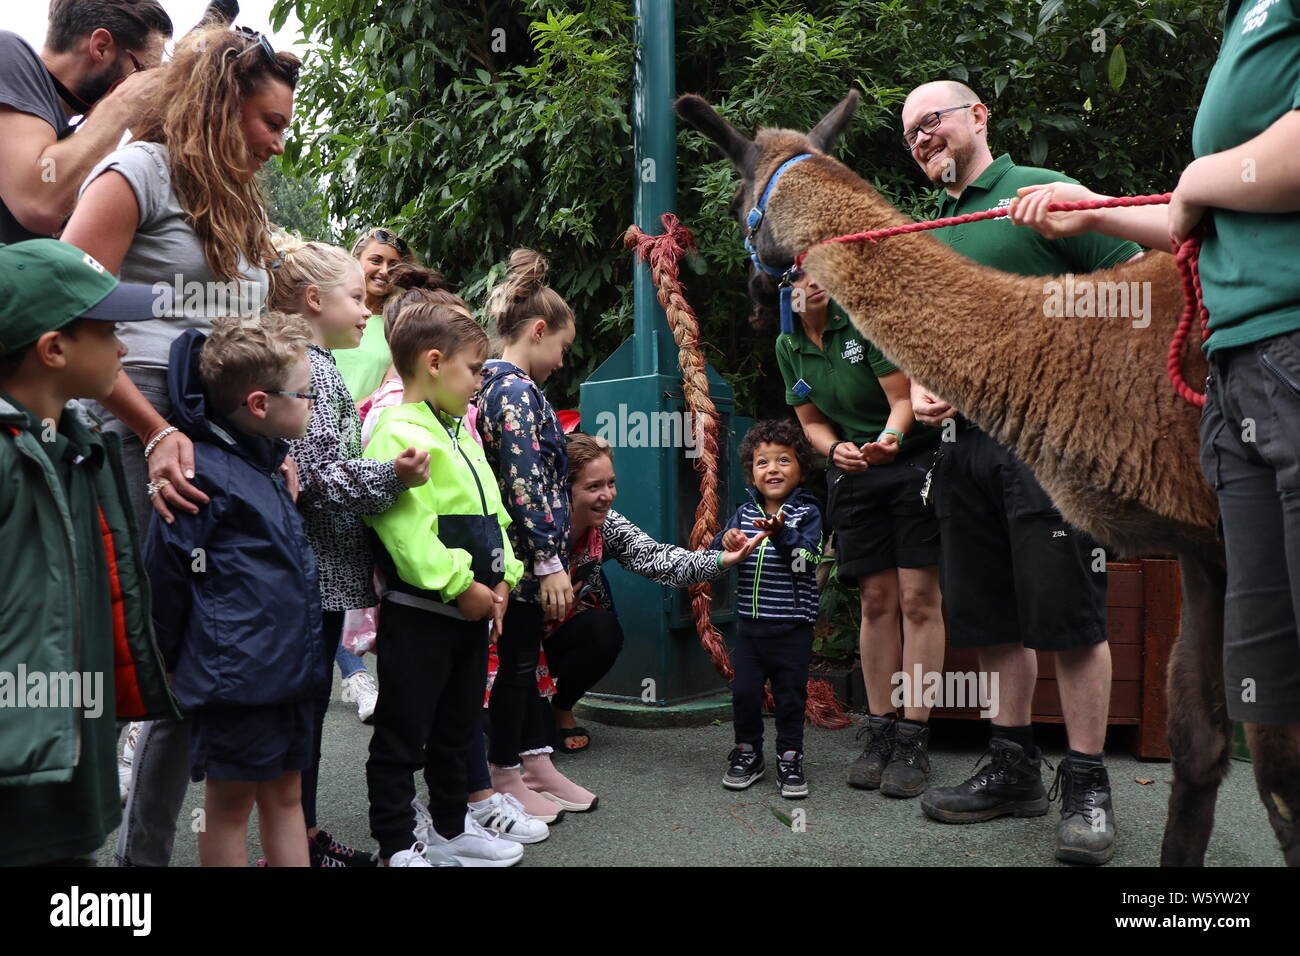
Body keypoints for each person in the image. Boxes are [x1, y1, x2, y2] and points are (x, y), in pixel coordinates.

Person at [1007, 0, 1300, 837]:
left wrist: (1199, 181)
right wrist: (1097, 210)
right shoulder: (1245, 17)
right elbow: (1200, 230)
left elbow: (1217, 192)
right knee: (1268, 693)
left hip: (1288, 351)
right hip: (1240, 370)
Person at [60, 22, 301, 868]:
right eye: (268, 122)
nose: (278, 142)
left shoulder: (233, 202)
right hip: (136, 428)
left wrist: (275, 445)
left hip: (216, 440)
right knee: (121, 654)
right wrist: (154, 427)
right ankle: (74, 863)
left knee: (195, 663)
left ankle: (140, 865)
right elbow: (63, 313)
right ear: (216, 103)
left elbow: (243, 341)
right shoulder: (136, 174)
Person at [899, 80, 1143, 865]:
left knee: (1068, 618)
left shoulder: (1042, 193)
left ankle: (1087, 784)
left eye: (929, 120)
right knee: (993, 620)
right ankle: (1013, 769)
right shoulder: (937, 226)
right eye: (909, 135)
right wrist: (923, 384)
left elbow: (1138, 281)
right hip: (962, 450)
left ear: (979, 116)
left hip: (1047, 440)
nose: (921, 139)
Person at [0, 239, 176, 867]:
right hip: (15, 770)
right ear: (53, 350)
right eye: (108, 332)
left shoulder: (80, 447)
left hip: (68, 757)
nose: (125, 348)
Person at [269, 234, 432, 866]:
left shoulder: (323, 366)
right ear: (315, 300)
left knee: (306, 717)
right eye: (358, 299)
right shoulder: (304, 370)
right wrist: (393, 475)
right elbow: (316, 476)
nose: (369, 312)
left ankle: (304, 838)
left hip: (328, 569)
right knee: (300, 718)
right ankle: (296, 844)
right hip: (313, 570)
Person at [144, 312, 326, 867]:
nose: (313, 405)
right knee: (228, 807)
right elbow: (167, 576)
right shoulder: (201, 473)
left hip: (290, 671)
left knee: (288, 794)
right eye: (305, 394)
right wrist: (171, 659)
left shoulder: (269, 466)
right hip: (236, 680)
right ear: (258, 404)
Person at [363, 300, 526, 867]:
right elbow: (405, 527)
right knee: (402, 735)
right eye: (474, 370)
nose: (480, 384)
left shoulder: (461, 431)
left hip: (473, 615)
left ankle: (452, 830)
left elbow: (496, 515)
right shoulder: (395, 430)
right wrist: (461, 585)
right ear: (434, 362)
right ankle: (397, 844)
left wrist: (504, 578)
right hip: (424, 615)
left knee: (459, 728)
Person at [774, 269, 944, 798]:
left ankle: (914, 737)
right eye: (799, 274)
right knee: (876, 599)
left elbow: (902, 401)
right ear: (785, 288)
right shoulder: (787, 346)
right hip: (854, 473)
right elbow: (811, 419)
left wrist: (889, 439)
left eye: (822, 268)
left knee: (918, 600)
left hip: (911, 462)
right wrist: (832, 450)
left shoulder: (863, 325)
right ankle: (881, 729)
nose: (813, 280)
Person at [544, 432, 766, 752]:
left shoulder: (606, 524)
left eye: (611, 483)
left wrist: (722, 559)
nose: (608, 495)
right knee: (518, 736)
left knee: (602, 631)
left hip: (559, 631)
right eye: (594, 487)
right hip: (513, 641)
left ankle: (560, 707)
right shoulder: (535, 526)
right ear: (563, 488)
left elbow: (656, 559)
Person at [476, 248, 598, 817]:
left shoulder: (502, 389)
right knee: (517, 665)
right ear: (539, 331)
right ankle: (505, 772)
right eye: (561, 349)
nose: (560, 362)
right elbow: (526, 485)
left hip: (521, 558)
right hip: (522, 561)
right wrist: (549, 563)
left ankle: (530, 762)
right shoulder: (514, 392)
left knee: (525, 664)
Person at [712, 420, 823, 798]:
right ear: (752, 472)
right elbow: (718, 554)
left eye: (783, 460)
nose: (772, 468)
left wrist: (781, 534)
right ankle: (748, 753)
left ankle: (790, 758)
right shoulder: (743, 513)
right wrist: (725, 538)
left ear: (801, 469)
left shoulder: (806, 515)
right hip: (751, 629)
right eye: (762, 462)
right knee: (744, 693)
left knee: (791, 697)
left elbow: (807, 561)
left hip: (792, 628)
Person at [0, 0, 171, 242]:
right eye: (143, 71)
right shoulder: (7, 50)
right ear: (100, 47)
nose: (145, 87)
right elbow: (38, 204)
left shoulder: (73, 138)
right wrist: (122, 104)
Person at [334, 227, 418, 403]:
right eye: (376, 260)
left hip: (364, 424)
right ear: (355, 260)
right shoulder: (329, 312)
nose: (385, 271)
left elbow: (389, 392)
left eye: (393, 265)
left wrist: (347, 418)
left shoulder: (401, 325)